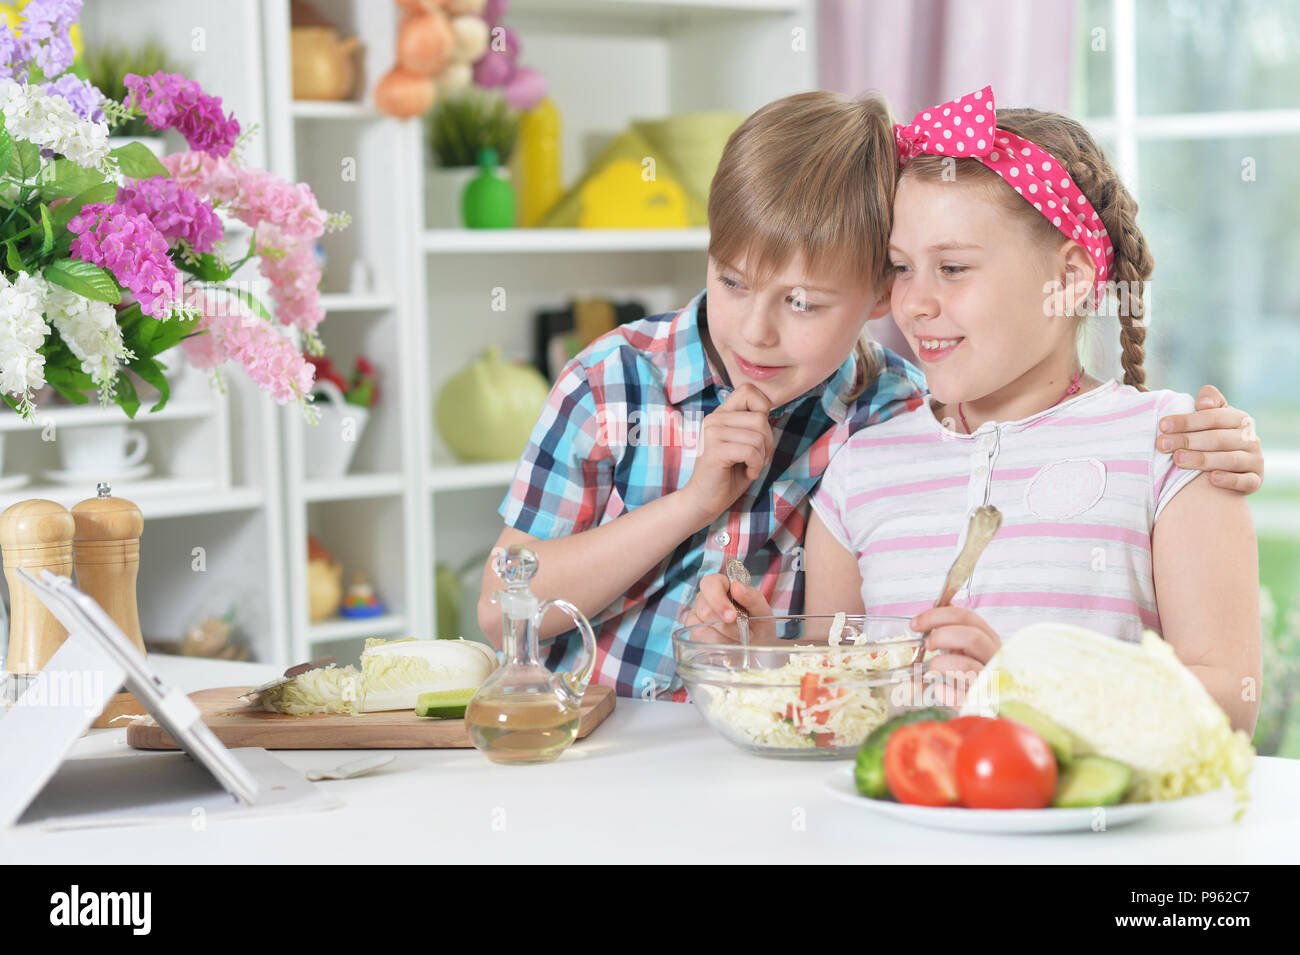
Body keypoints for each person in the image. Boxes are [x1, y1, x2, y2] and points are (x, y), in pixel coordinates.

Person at [483, 89, 1265, 704]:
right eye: (731, 280)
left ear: (869, 299)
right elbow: (502, 608)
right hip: (590, 743)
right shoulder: (618, 383)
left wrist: (1202, 439)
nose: (756, 332)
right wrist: (699, 516)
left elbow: (1226, 687)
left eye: (805, 304)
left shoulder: (892, 411)